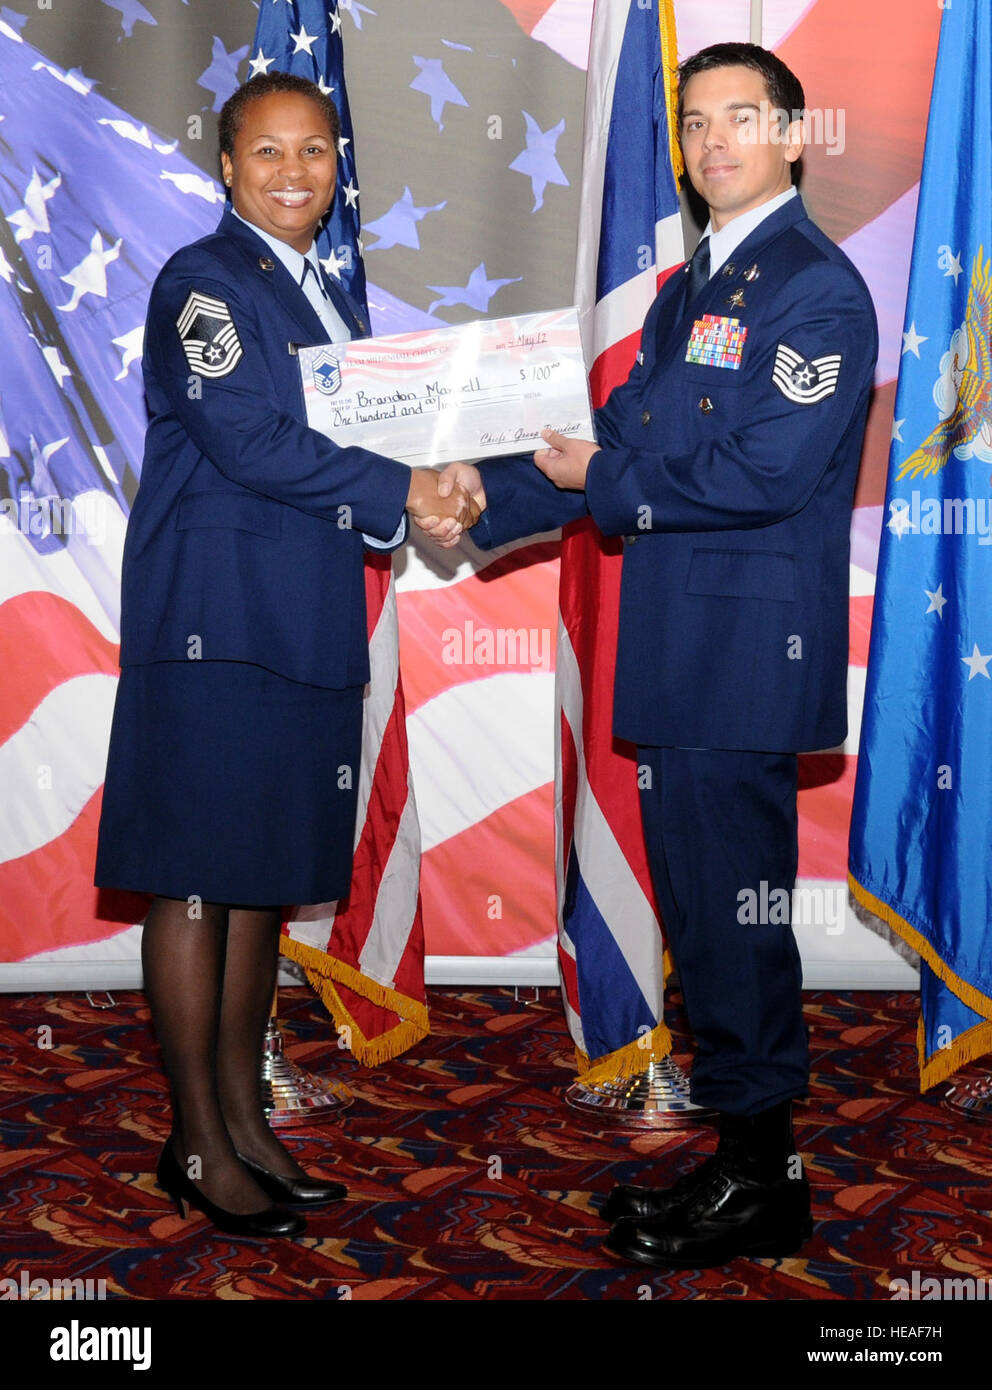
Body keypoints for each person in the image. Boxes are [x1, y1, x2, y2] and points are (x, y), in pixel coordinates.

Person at [418, 43, 878, 1268]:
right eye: (691, 122)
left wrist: (603, 477)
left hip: (737, 661)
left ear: (792, 136)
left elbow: (762, 471)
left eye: (740, 117)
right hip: (680, 661)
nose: (711, 140)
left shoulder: (812, 290)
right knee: (704, 917)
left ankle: (765, 1181)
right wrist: (482, 496)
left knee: (736, 922)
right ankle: (738, 1161)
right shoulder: (691, 290)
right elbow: (610, 439)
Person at [94, 73, 477, 1240]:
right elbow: (251, 439)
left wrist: (443, 489)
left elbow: (355, 448)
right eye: (268, 152)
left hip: (300, 622)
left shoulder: (324, 300)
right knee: (202, 879)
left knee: (260, 882)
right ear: (226, 166)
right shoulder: (203, 282)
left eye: (314, 152)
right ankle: (196, 1140)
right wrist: (403, 485)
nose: (294, 173)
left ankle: (244, 1123)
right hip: (218, 624)